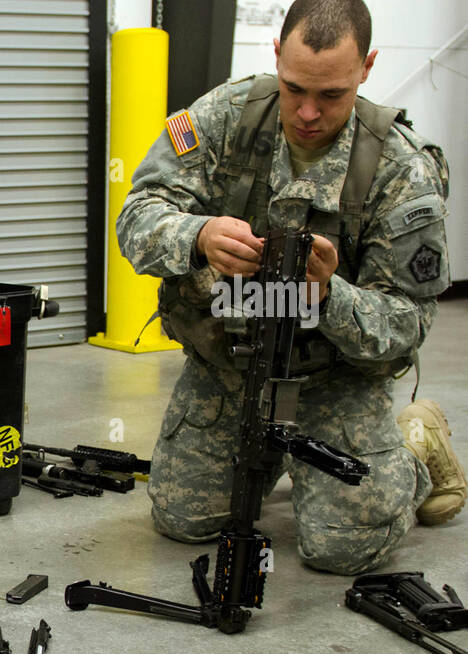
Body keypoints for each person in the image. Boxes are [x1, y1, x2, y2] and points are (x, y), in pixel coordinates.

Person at [117, 0, 464, 576]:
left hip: (335, 380)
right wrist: (198, 234)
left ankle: (417, 447)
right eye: (294, 87)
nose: (306, 112)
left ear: (367, 67)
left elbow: (408, 323)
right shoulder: (224, 119)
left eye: (331, 96)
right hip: (231, 364)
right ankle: (281, 460)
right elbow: (136, 219)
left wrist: (331, 294)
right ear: (276, 55)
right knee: (183, 523)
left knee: (341, 551)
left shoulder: (400, 169)